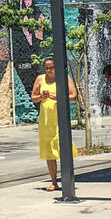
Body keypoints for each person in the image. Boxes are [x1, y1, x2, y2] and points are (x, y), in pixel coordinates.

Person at [31, 57, 78, 191]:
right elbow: (33, 97)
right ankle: (54, 181)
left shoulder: (64, 77)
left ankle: (67, 180)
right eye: (46, 68)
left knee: (63, 149)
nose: (48, 70)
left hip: (60, 119)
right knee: (48, 151)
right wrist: (42, 97)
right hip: (46, 121)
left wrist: (59, 97)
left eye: (51, 67)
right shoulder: (40, 79)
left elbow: (73, 95)